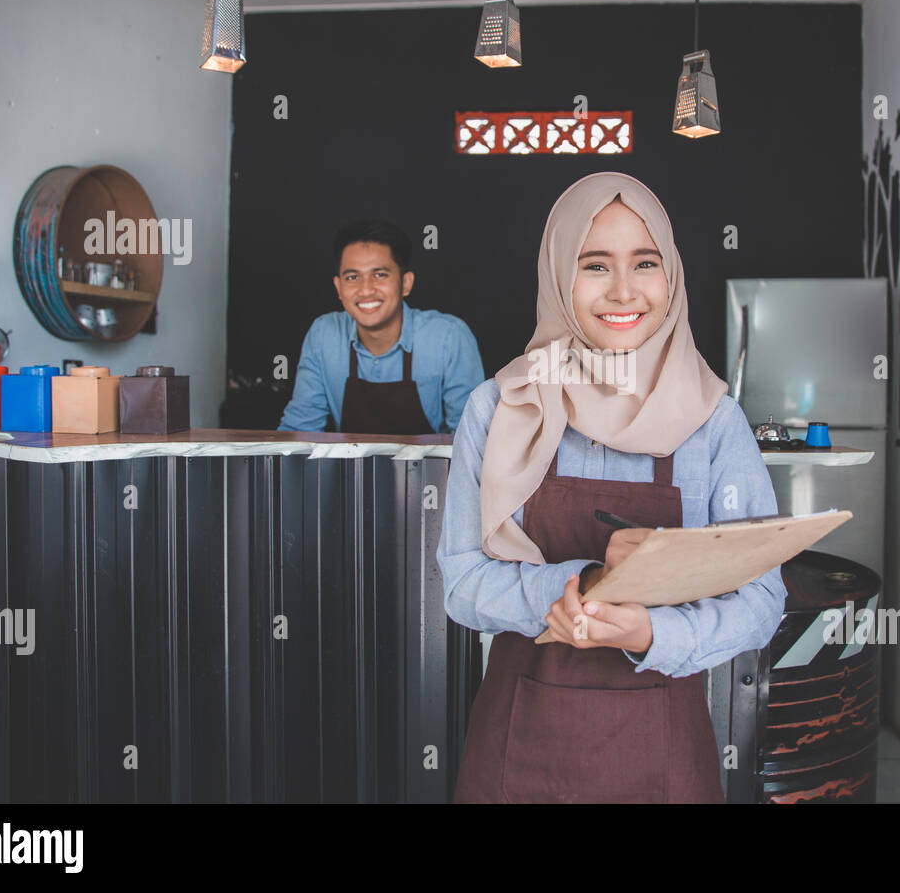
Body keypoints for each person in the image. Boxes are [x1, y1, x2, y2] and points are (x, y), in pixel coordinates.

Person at [437, 172, 786, 803]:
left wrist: (652, 635)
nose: (623, 291)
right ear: (557, 277)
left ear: (671, 274)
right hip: (521, 747)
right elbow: (462, 585)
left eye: (645, 263)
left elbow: (762, 601)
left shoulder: (713, 420)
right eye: (593, 264)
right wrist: (578, 588)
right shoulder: (500, 405)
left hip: (662, 751)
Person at [277, 218, 483, 434]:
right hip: (348, 469)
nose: (366, 290)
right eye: (353, 277)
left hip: (432, 469)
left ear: (405, 283)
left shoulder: (448, 337)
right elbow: (300, 430)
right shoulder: (323, 334)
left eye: (380, 275)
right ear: (338, 287)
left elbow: (471, 438)